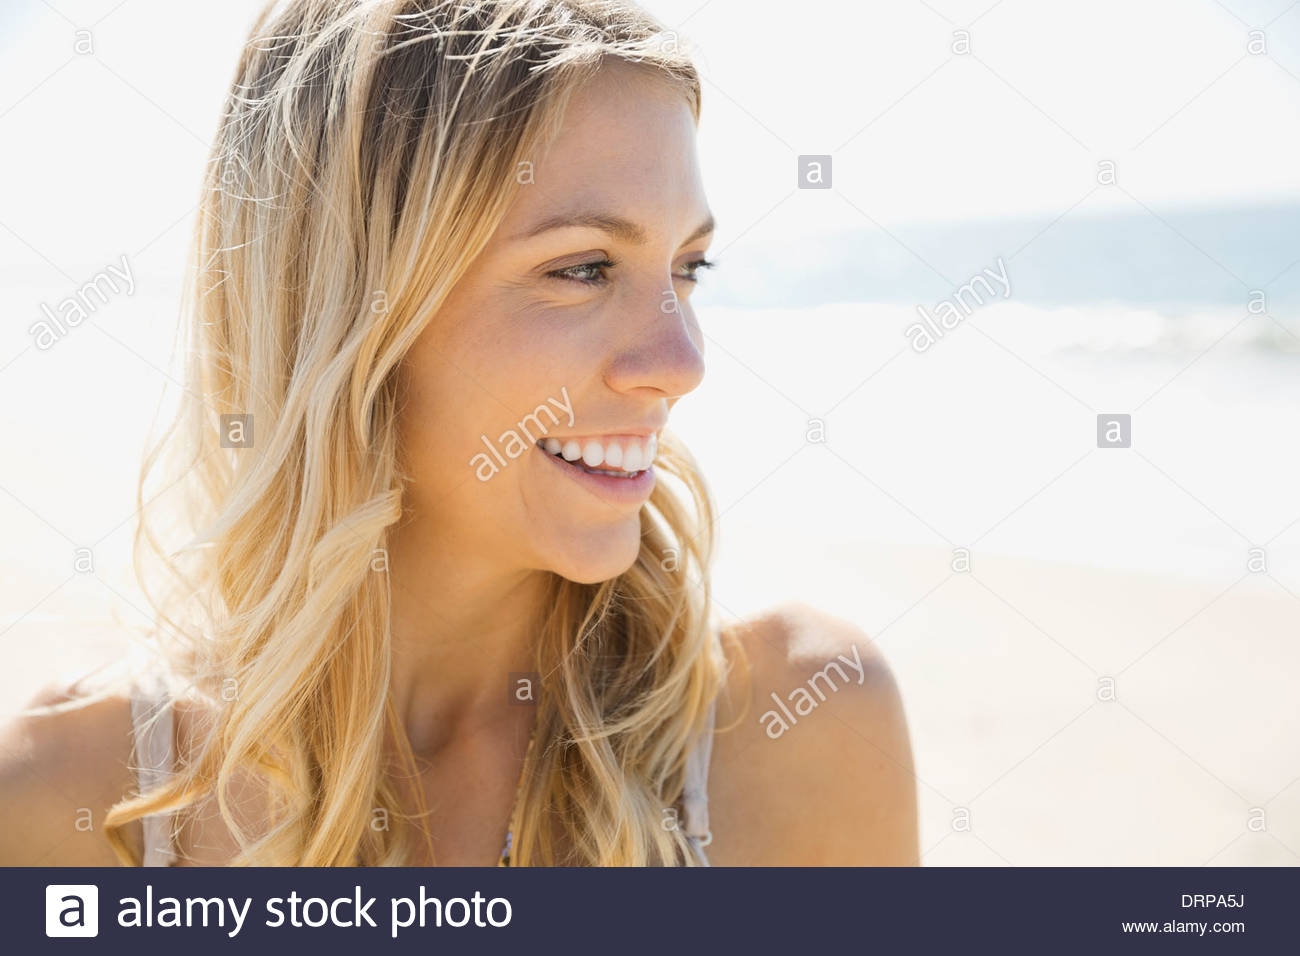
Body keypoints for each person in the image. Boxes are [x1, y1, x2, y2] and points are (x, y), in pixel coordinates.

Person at [0, 0, 917, 866]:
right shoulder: (67, 798)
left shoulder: (797, 720)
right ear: (342, 306)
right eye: (585, 268)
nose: (680, 362)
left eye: (688, 266)